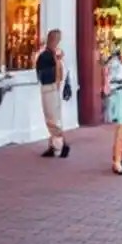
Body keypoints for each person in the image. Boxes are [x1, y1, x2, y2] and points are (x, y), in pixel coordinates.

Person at [35, 29, 69, 159]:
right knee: (54, 116)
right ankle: (56, 144)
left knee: (51, 118)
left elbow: (46, 71)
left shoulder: (48, 55)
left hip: (49, 87)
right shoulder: (54, 55)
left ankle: (59, 145)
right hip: (53, 87)